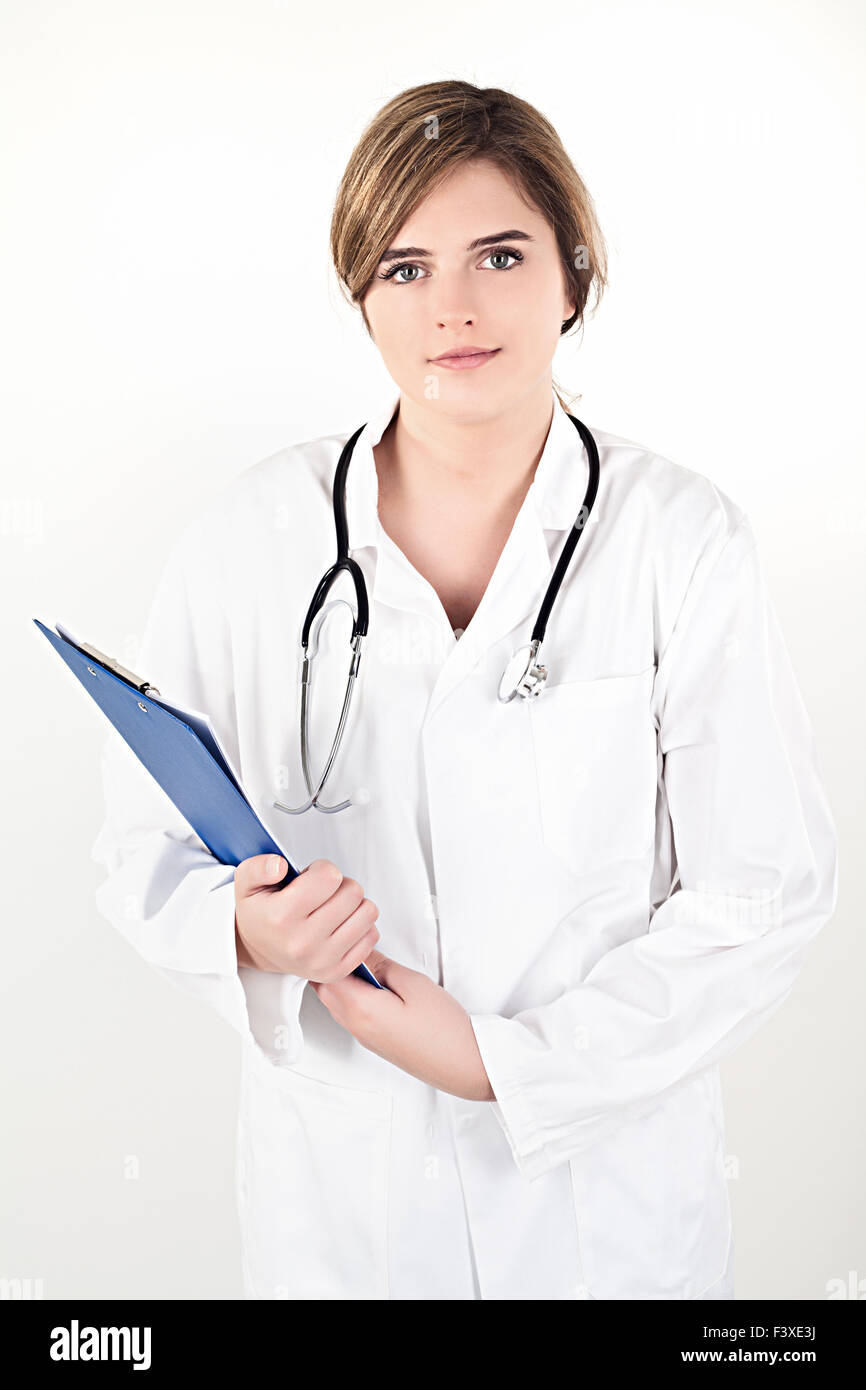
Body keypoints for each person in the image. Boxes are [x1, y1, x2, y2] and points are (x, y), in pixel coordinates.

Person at [91, 79, 838, 1301]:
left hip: (610, 1225)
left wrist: (504, 1063)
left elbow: (759, 893)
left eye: (498, 253)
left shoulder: (680, 541)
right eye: (402, 268)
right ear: (360, 298)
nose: (452, 308)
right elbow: (139, 850)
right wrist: (244, 927)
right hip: (347, 1221)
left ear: (571, 274)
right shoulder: (247, 544)